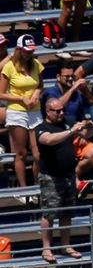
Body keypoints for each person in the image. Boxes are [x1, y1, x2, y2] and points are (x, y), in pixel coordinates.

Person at [35, 96, 91, 264]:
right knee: (49, 213)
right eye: (57, 111)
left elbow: (88, 133)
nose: (61, 113)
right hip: (51, 176)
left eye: (62, 110)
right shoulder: (41, 127)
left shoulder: (67, 122)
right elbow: (49, 140)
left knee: (67, 213)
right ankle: (46, 248)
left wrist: (88, 125)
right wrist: (71, 131)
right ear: (47, 111)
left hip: (69, 175)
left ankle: (65, 245)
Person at [4, 36, 45, 192]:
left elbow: (40, 85)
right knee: (21, 152)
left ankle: (37, 184)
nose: (29, 54)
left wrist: (36, 94)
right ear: (19, 50)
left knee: (38, 153)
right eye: (27, 51)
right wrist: (22, 98)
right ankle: (24, 189)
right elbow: (1, 94)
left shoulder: (35, 64)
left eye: (31, 51)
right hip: (17, 111)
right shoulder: (9, 67)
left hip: (34, 111)